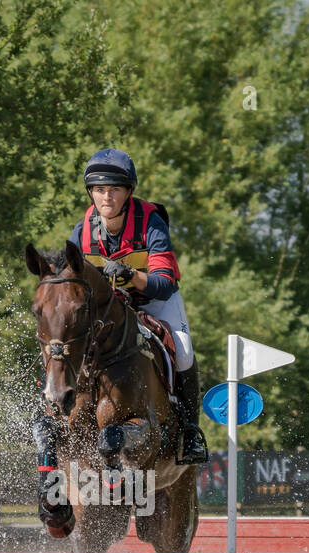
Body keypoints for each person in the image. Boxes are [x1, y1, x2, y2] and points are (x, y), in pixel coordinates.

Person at [68, 148, 209, 464]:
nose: (107, 197)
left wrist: (131, 274)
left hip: (154, 301)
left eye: (115, 189)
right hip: (110, 309)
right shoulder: (81, 231)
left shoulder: (151, 222)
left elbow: (165, 283)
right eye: (100, 190)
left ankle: (189, 431)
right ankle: (53, 409)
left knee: (183, 351)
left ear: (128, 191)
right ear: (91, 192)